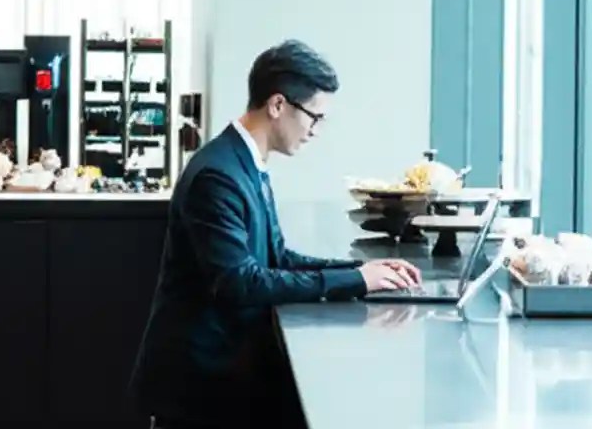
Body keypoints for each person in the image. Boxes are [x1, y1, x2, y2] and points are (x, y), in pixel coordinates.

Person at [130, 39, 421, 428]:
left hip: (224, 376)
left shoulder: (244, 162)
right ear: (278, 105)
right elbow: (238, 282)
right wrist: (354, 279)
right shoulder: (218, 174)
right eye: (313, 117)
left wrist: (363, 273)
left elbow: (277, 257)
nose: (316, 131)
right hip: (200, 386)